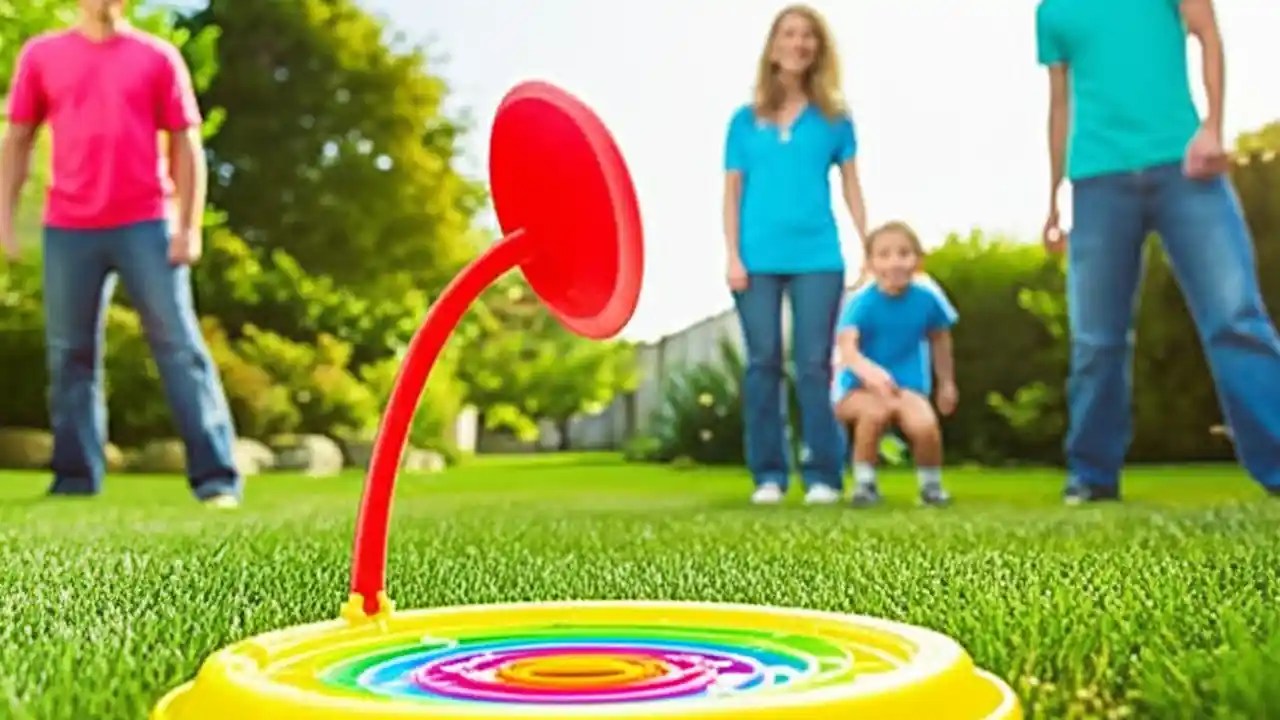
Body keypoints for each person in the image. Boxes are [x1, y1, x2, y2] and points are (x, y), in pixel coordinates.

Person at [0, 0, 242, 507]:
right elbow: (17, 139)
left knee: (178, 346)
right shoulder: (42, 55)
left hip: (147, 223)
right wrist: (4, 219)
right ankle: (75, 478)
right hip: (68, 227)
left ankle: (216, 478)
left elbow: (186, 144)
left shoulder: (157, 57)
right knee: (70, 354)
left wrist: (189, 226)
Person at [1036, 0, 1280, 503]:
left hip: (1185, 169)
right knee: (1095, 340)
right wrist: (1053, 195)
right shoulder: (1052, 11)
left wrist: (1214, 126)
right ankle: (1091, 476)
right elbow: (1060, 105)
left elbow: (1208, 34)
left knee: (1235, 317)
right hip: (1097, 180)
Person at [722, 4, 869, 506]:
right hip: (756, 258)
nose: (799, 43)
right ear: (774, 45)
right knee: (763, 363)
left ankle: (824, 476)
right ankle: (768, 475)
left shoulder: (835, 119)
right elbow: (732, 194)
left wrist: (867, 243)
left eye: (808, 36)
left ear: (818, 48)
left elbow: (851, 187)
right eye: (789, 34)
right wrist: (732, 255)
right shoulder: (744, 122)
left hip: (818, 257)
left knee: (813, 365)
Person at [832, 222, 958, 508]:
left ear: (918, 260)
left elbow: (940, 340)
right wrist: (870, 373)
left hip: (906, 387)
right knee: (873, 413)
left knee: (924, 424)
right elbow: (848, 349)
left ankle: (931, 486)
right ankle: (864, 484)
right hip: (857, 389)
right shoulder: (862, 303)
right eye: (884, 254)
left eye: (904, 253)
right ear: (870, 263)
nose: (895, 262)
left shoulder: (927, 300)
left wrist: (947, 383)